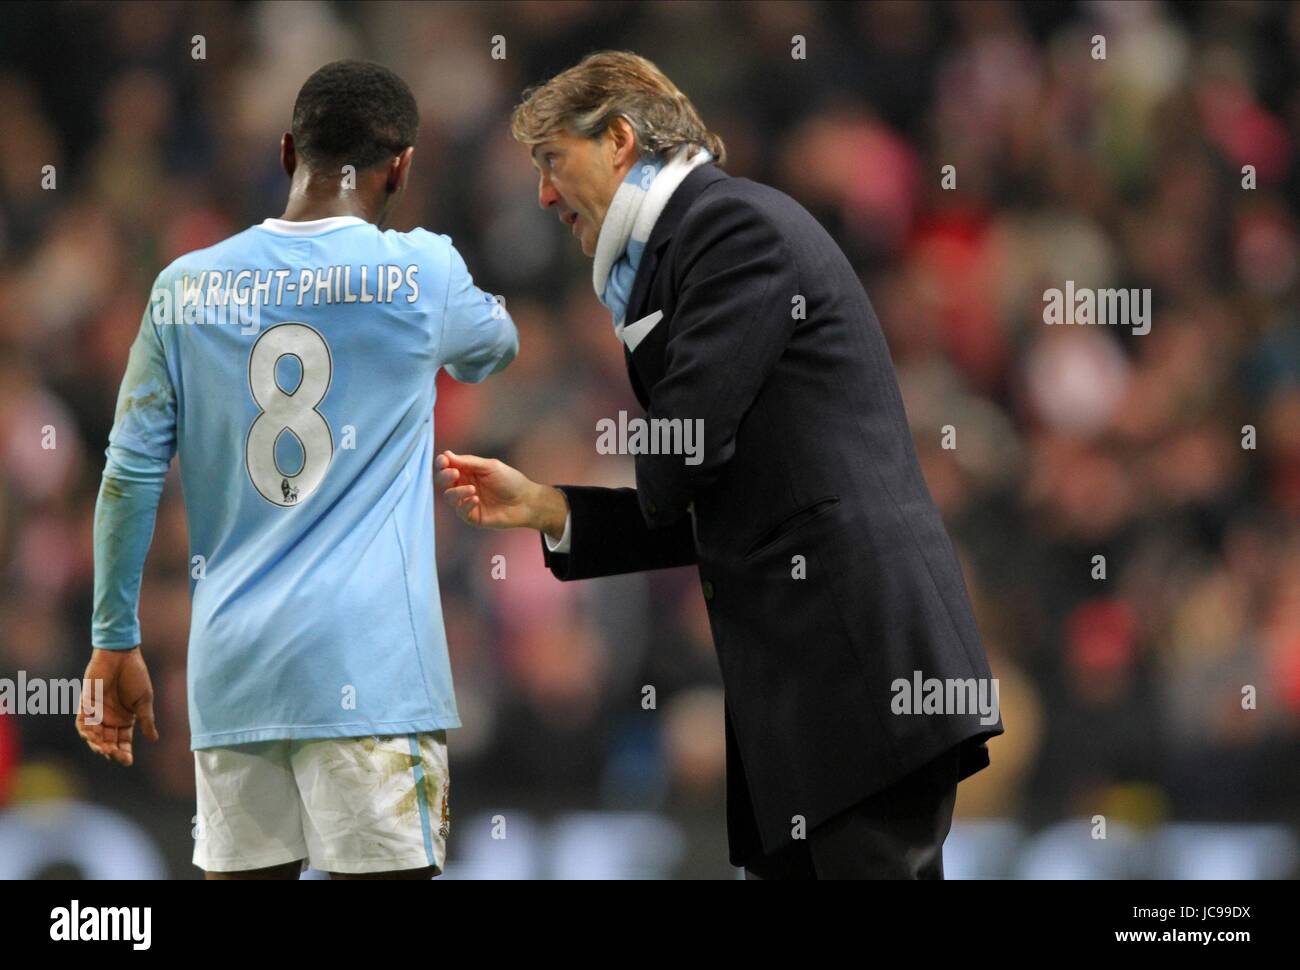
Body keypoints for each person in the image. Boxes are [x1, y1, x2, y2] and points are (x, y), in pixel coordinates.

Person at [436, 51, 1002, 879]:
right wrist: (551, 507)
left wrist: (632, 354)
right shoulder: (687, 250)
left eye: (553, 160)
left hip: (860, 676)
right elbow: (719, 500)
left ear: (621, 141)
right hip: (813, 699)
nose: (544, 195)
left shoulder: (729, 231)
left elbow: (682, 463)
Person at [78, 60, 518, 879]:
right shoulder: (421, 272)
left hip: (235, 671)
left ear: (288, 151)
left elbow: (128, 473)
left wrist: (113, 641)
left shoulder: (183, 288)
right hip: (371, 673)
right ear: (403, 166)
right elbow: (496, 346)